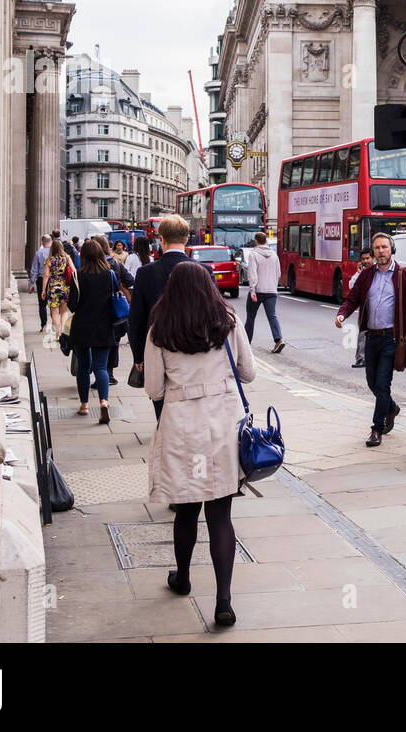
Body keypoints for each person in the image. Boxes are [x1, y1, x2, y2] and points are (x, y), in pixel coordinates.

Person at [144, 261, 254, 628]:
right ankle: (224, 600)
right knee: (220, 514)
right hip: (223, 422)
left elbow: (154, 389)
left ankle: (184, 577)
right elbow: (248, 372)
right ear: (209, 286)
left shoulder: (160, 328)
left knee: (188, 507)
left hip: (182, 425)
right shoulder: (226, 322)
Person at [335, 233, 406, 447]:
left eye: (384, 247)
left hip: (392, 338)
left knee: (382, 384)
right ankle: (391, 407)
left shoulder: (405, 274)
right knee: (372, 383)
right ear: (372, 252)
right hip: (370, 338)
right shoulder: (366, 275)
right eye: (377, 248)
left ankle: (376, 429)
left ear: (391, 249)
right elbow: (353, 298)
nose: (381, 251)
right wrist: (342, 314)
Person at [129, 214, 193, 422]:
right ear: (186, 239)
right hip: (195, 351)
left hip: (158, 350)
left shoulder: (146, 273)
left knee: (161, 404)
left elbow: (136, 318)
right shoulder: (203, 271)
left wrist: (138, 356)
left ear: (161, 239)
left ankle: (166, 433)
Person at [67, 240, 119, 424]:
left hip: (82, 327)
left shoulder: (77, 276)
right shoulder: (110, 274)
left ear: (83, 257)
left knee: (83, 366)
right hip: (104, 326)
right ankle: (104, 402)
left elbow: (72, 304)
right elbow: (116, 296)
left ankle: (84, 405)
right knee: (101, 367)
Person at [94, 235, 135, 386]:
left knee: (96, 343)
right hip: (113, 309)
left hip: (95, 312)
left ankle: (100, 373)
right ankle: (109, 373)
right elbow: (130, 280)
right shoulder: (116, 264)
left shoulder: (88, 266)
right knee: (114, 341)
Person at [243, 232, 285, 353]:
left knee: (251, 317)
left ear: (256, 241)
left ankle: (246, 344)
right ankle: (278, 339)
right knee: (272, 316)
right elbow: (278, 274)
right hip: (272, 291)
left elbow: (252, 274)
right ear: (266, 241)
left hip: (258, 290)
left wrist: (252, 291)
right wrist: (273, 286)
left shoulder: (254, 254)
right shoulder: (274, 255)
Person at [349, 248, 374, 368]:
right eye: (363, 259)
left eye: (368, 258)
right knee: (363, 333)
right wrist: (358, 273)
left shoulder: (377, 271)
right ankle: (361, 358)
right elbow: (351, 286)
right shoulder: (360, 273)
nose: (366, 261)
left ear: (373, 258)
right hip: (366, 308)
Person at [42, 239, 73, 338]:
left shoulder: (49, 260)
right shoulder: (67, 258)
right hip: (64, 286)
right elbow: (74, 270)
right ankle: (63, 332)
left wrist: (43, 290)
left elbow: (46, 275)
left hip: (53, 287)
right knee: (64, 311)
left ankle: (58, 334)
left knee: (54, 312)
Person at [29, 234, 52, 332]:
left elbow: (34, 269)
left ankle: (44, 324)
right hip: (53, 280)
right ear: (51, 241)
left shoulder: (39, 253)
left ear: (42, 242)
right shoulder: (55, 253)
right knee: (53, 304)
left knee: (42, 304)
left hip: (41, 280)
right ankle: (55, 324)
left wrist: (31, 284)